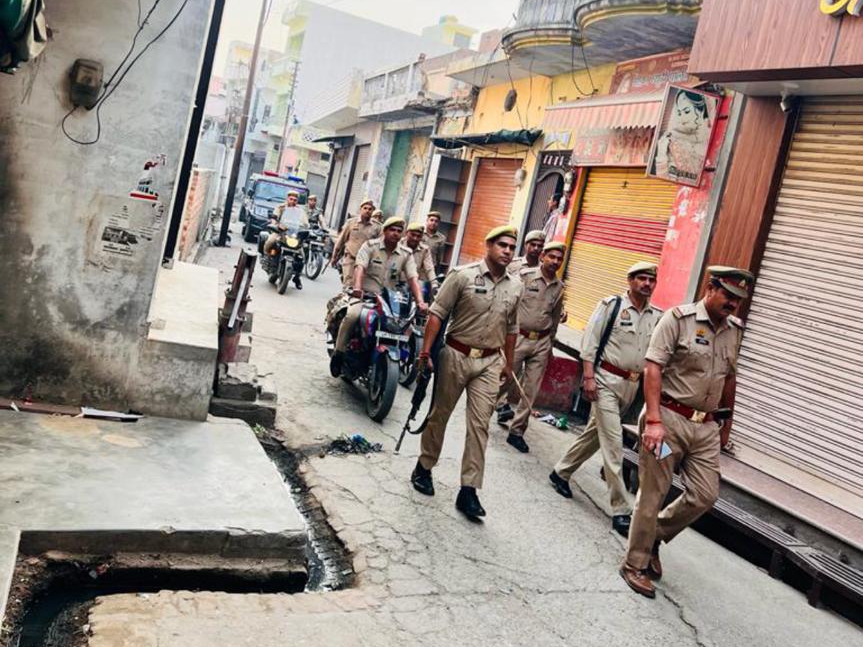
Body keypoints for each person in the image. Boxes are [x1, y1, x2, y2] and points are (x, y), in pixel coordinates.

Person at [619, 266, 753, 599]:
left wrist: (726, 425)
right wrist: (652, 421)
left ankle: (653, 537)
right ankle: (634, 564)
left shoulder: (734, 330)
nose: (733, 304)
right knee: (654, 492)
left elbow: (730, 379)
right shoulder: (678, 320)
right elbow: (653, 368)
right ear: (711, 287)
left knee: (705, 495)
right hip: (668, 423)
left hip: (705, 428)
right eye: (729, 296)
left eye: (739, 299)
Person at [410, 225, 522, 520]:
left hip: (489, 362)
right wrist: (426, 352)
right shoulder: (462, 275)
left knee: (479, 425)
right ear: (488, 246)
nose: (508, 251)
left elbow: (512, 329)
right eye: (503, 245)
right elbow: (437, 313)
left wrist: (508, 364)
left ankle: (469, 490)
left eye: (512, 247)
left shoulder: (516, 286)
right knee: (440, 414)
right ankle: (424, 467)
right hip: (456, 354)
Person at [549, 261, 663, 538]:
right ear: (630, 280)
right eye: (642, 279)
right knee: (613, 444)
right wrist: (588, 378)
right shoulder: (610, 306)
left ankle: (560, 472)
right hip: (605, 383)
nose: (647, 284)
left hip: (634, 388)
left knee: (594, 434)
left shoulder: (657, 316)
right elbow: (589, 343)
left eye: (651, 280)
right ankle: (621, 509)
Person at [330, 217, 428, 377]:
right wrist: (357, 288)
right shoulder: (370, 246)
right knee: (352, 315)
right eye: (392, 230)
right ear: (384, 231)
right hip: (365, 295)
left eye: (399, 231)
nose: (396, 234)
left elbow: (413, 278)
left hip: (389, 301)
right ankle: (339, 353)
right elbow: (360, 268)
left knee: (405, 325)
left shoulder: (406, 254)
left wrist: (421, 302)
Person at [497, 242, 567, 454]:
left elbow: (554, 318)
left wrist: (551, 345)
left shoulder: (559, 287)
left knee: (531, 390)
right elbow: (508, 304)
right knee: (505, 379)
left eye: (559, 259)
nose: (555, 262)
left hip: (542, 342)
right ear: (543, 256)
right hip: (518, 337)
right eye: (552, 257)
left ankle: (517, 431)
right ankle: (484, 410)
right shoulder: (525, 277)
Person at [495, 229, 546, 424]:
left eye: (539, 246)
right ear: (526, 246)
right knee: (507, 372)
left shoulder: (545, 270)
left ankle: (503, 406)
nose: (536, 249)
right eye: (532, 245)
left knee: (522, 377)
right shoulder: (514, 265)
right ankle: (498, 403)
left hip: (533, 333)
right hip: (510, 325)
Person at [264, 190, 309, 290]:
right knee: (271, 241)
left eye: (295, 200)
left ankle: (297, 277)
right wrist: (276, 224)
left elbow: (305, 224)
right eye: (291, 199)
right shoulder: (281, 207)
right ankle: (267, 257)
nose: (293, 201)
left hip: (293, 234)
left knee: (302, 253)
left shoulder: (300, 211)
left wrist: (306, 229)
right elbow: (274, 218)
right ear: (287, 198)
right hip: (280, 231)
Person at [331, 199, 381, 287]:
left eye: (370, 209)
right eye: (365, 208)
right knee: (348, 286)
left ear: (372, 211)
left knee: (361, 287)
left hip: (367, 263)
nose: (367, 211)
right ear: (360, 209)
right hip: (351, 260)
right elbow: (341, 241)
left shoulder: (377, 227)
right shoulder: (351, 223)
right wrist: (334, 257)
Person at [402, 222, 439, 291]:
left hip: (413, 286)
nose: (415, 238)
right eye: (412, 235)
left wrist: (434, 284)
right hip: (395, 284)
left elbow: (429, 268)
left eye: (418, 236)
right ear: (406, 233)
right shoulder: (399, 244)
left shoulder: (424, 250)